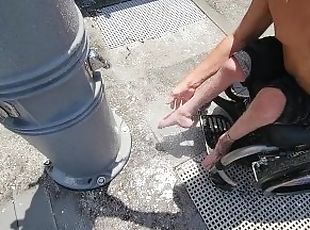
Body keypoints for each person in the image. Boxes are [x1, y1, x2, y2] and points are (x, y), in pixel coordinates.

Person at [158, 0, 310, 169]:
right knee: (234, 66)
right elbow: (240, 36)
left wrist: (227, 138)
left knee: (269, 102)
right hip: (287, 59)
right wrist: (191, 82)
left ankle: (226, 141)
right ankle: (186, 110)